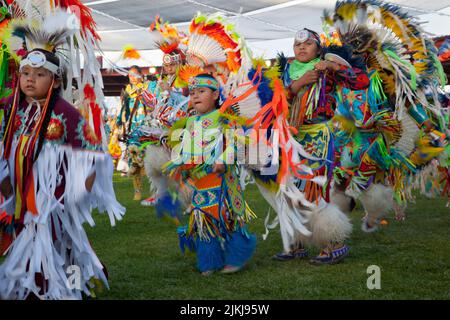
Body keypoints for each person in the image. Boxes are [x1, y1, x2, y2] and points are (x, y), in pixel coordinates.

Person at [0, 11, 124, 299]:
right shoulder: (10, 106)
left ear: (55, 81)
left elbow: (93, 154)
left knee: (53, 244)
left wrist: (79, 191)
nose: (30, 80)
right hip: (17, 193)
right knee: (30, 243)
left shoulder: (66, 114)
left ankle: (47, 288)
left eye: (40, 75)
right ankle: (58, 283)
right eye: (26, 73)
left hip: (53, 198)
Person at [275, 28, 370, 265]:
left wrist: (335, 67)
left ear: (318, 48)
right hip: (292, 136)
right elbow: (276, 101)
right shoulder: (284, 70)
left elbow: (361, 81)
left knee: (314, 189)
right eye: (297, 45)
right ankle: (297, 243)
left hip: (318, 135)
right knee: (289, 190)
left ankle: (334, 244)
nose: (301, 48)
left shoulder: (328, 65)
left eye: (307, 44)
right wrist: (296, 86)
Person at [163, 74, 256, 275]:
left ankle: (236, 256)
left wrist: (224, 159)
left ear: (215, 94)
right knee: (202, 219)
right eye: (193, 93)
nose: (195, 96)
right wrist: (180, 166)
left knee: (227, 217)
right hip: (199, 178)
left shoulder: (225, 116)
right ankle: (210, 261)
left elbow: (236, 142)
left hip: (222, 177)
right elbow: (187, 148)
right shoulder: (190, 121)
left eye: (201, 92)